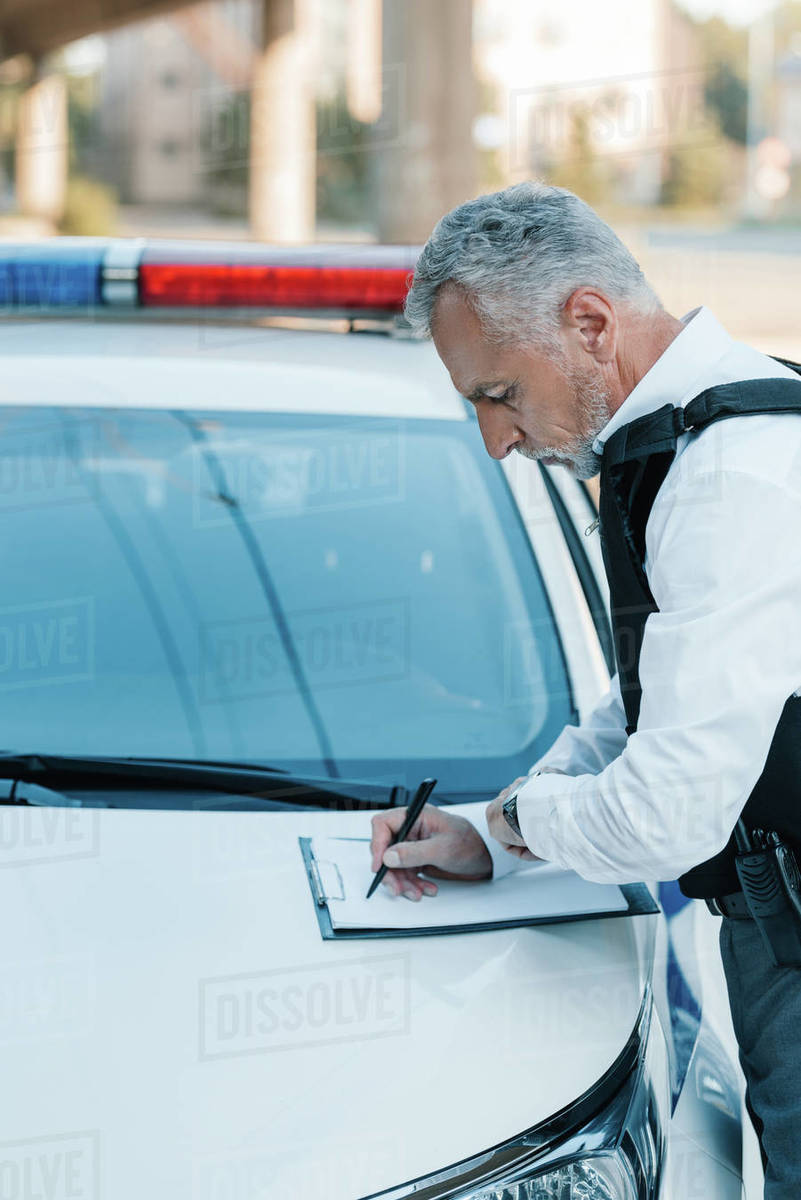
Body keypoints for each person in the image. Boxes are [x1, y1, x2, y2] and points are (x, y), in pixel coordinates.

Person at [368, 180, 801, 1195]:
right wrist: (488, 831)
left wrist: (518, 821)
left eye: (500, 395)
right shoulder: (705, 439)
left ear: (591, 324)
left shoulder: (733, 474)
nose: (496, 442)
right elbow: (654, 701)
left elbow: (666, 814)